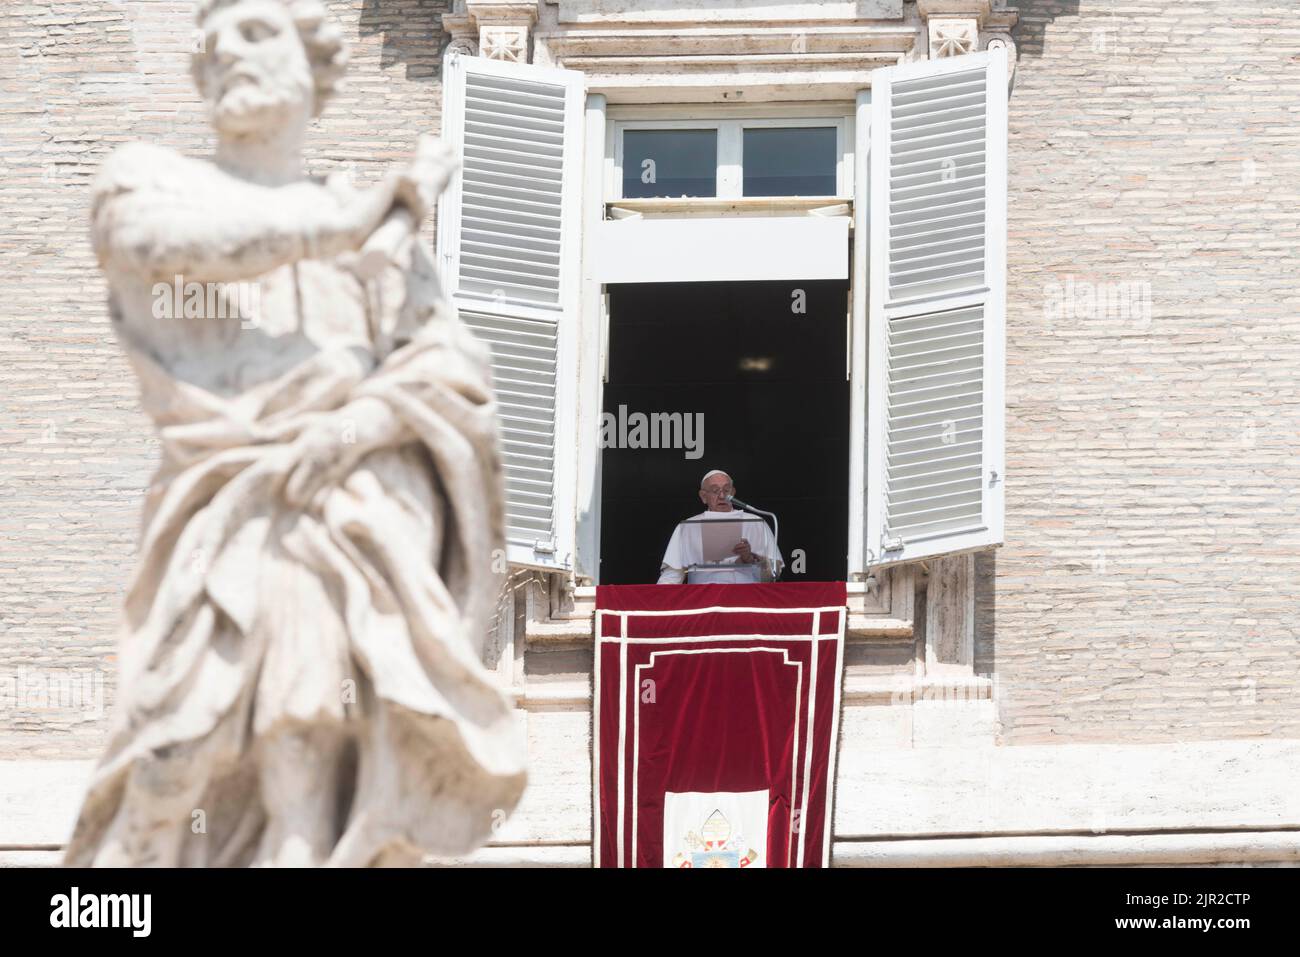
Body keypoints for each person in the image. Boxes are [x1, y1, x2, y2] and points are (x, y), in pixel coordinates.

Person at [63, 0, 525, 868]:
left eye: (259, 30)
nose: (231, 50)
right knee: (174, 740)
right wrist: (341, 227)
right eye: (218, 39)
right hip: (215, 505)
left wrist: (356, 425)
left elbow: (447, 374)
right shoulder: (151, 179)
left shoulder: (376, 238)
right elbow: (152, 245)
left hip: (336, 510)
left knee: (307, 724)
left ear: (314, 70)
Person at [657, 469, 784, 584]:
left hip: (747, 597)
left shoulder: (755, 522)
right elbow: (672, 577)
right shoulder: (687, 527)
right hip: (704, 599)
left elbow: (773, 575)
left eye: (726, 490)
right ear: (703, 496)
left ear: (733, 493)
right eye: (715, 491)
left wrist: (750, 559)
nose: (722, 496)